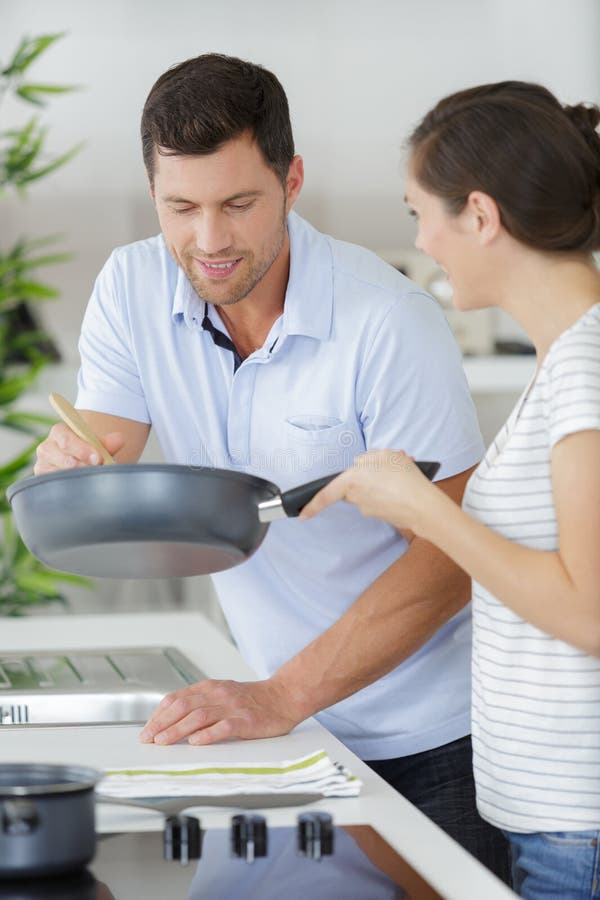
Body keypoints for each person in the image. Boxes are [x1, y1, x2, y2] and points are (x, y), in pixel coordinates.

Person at [33, 54, 509, 878]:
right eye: (182, 207)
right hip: (283, 728)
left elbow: (452, 560)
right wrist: (69, 471)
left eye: (238, 204)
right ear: (152, 190)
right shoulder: (131, 287)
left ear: (291, 182)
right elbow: (106, 460)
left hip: (430, 738)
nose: (210, 240)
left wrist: (283, 694)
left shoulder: (387, 320)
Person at [301, 80, 600, 900]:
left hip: (581, 833)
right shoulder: (568, 364)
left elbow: (589, 611)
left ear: (480, 215)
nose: (421, 241)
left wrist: (427, 510)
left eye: (419, 213)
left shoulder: (585, 370)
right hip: (558, 824)